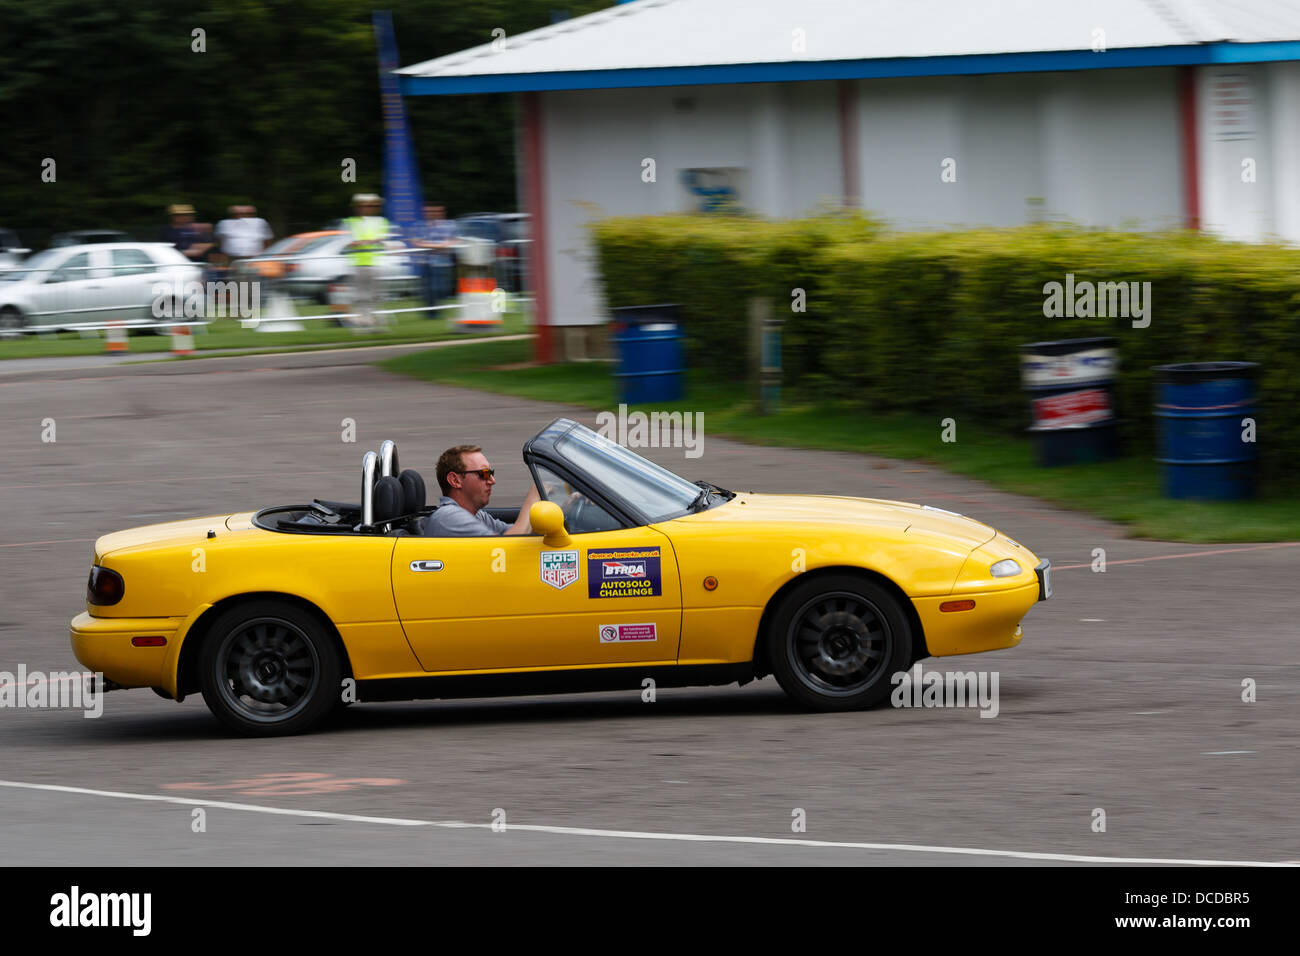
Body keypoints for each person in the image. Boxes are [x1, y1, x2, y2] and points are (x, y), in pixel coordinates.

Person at [423, 444, 540, 536]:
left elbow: (516, 532)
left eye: (491, 473)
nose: (492, 481)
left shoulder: (477, 515)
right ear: (455, 480)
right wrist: (535, 495)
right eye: (484, 474)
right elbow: (506, 547)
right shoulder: (448, 517)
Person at [343, 193, 393, 328]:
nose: (367, 208)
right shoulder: (350, 222)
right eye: (363, 206)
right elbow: (347, 241)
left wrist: (364, 242)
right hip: (357, 263)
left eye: (371, 206)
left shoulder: (382, 221)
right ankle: (366, 320)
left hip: (376, 262)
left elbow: (383, 239)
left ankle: (375, 319)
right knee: (361, 294)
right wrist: (367, 242)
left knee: (376, 294)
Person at [410, 203, 458, 305]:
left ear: (442, 213)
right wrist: (441, 246)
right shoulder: (418, 225)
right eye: (429, 211)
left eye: (436, 211)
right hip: (425, 263)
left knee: (443, 289)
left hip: (444, 263)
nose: (432, 214)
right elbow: (416, 243)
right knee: (429, 289)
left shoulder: (450, 225)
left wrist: (429, 245)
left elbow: (455, 241)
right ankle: (431, 312)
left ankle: (436, 308)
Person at [214, 203, 272, 275]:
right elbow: (218, 242)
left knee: (254, 281)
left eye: (247, 213)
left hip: (254, 259)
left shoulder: (260, 222)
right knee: (235, 282)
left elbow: (267, 241)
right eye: (237, 213)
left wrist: (265, 256)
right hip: (232, 259)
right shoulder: (224, 224)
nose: (242, 216)